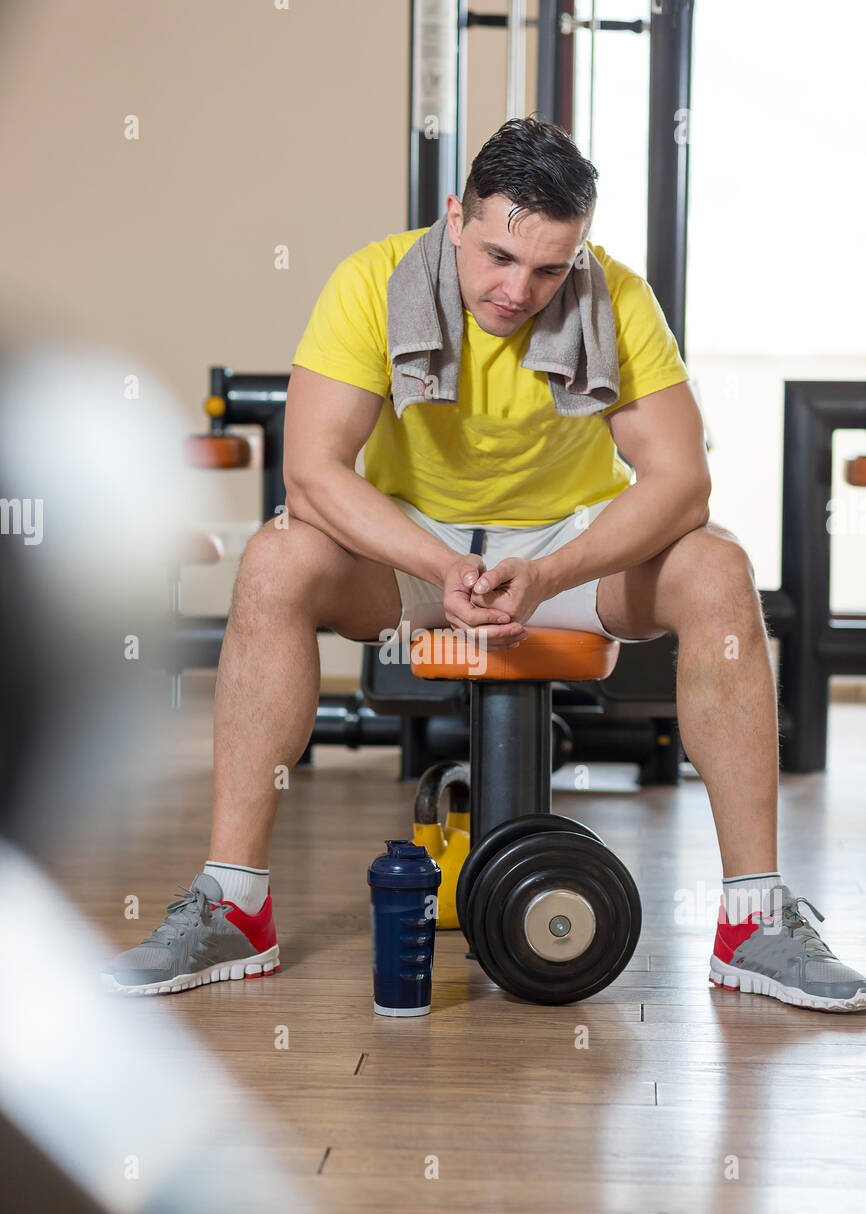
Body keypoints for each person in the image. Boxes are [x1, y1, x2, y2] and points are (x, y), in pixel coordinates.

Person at [102, 116, 866, 1011]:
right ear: (458, 215)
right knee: (275, 558)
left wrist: (547, 574)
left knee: (719, 566)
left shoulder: (614, 296)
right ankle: (234, 906)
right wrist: (436, 561)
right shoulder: (372, 282)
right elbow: (313, 473)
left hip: (564, 551)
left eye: (549, 269)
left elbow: (679, 484)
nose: (518, 290)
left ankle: (753, 922)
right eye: (500, 256)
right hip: (412, 550)